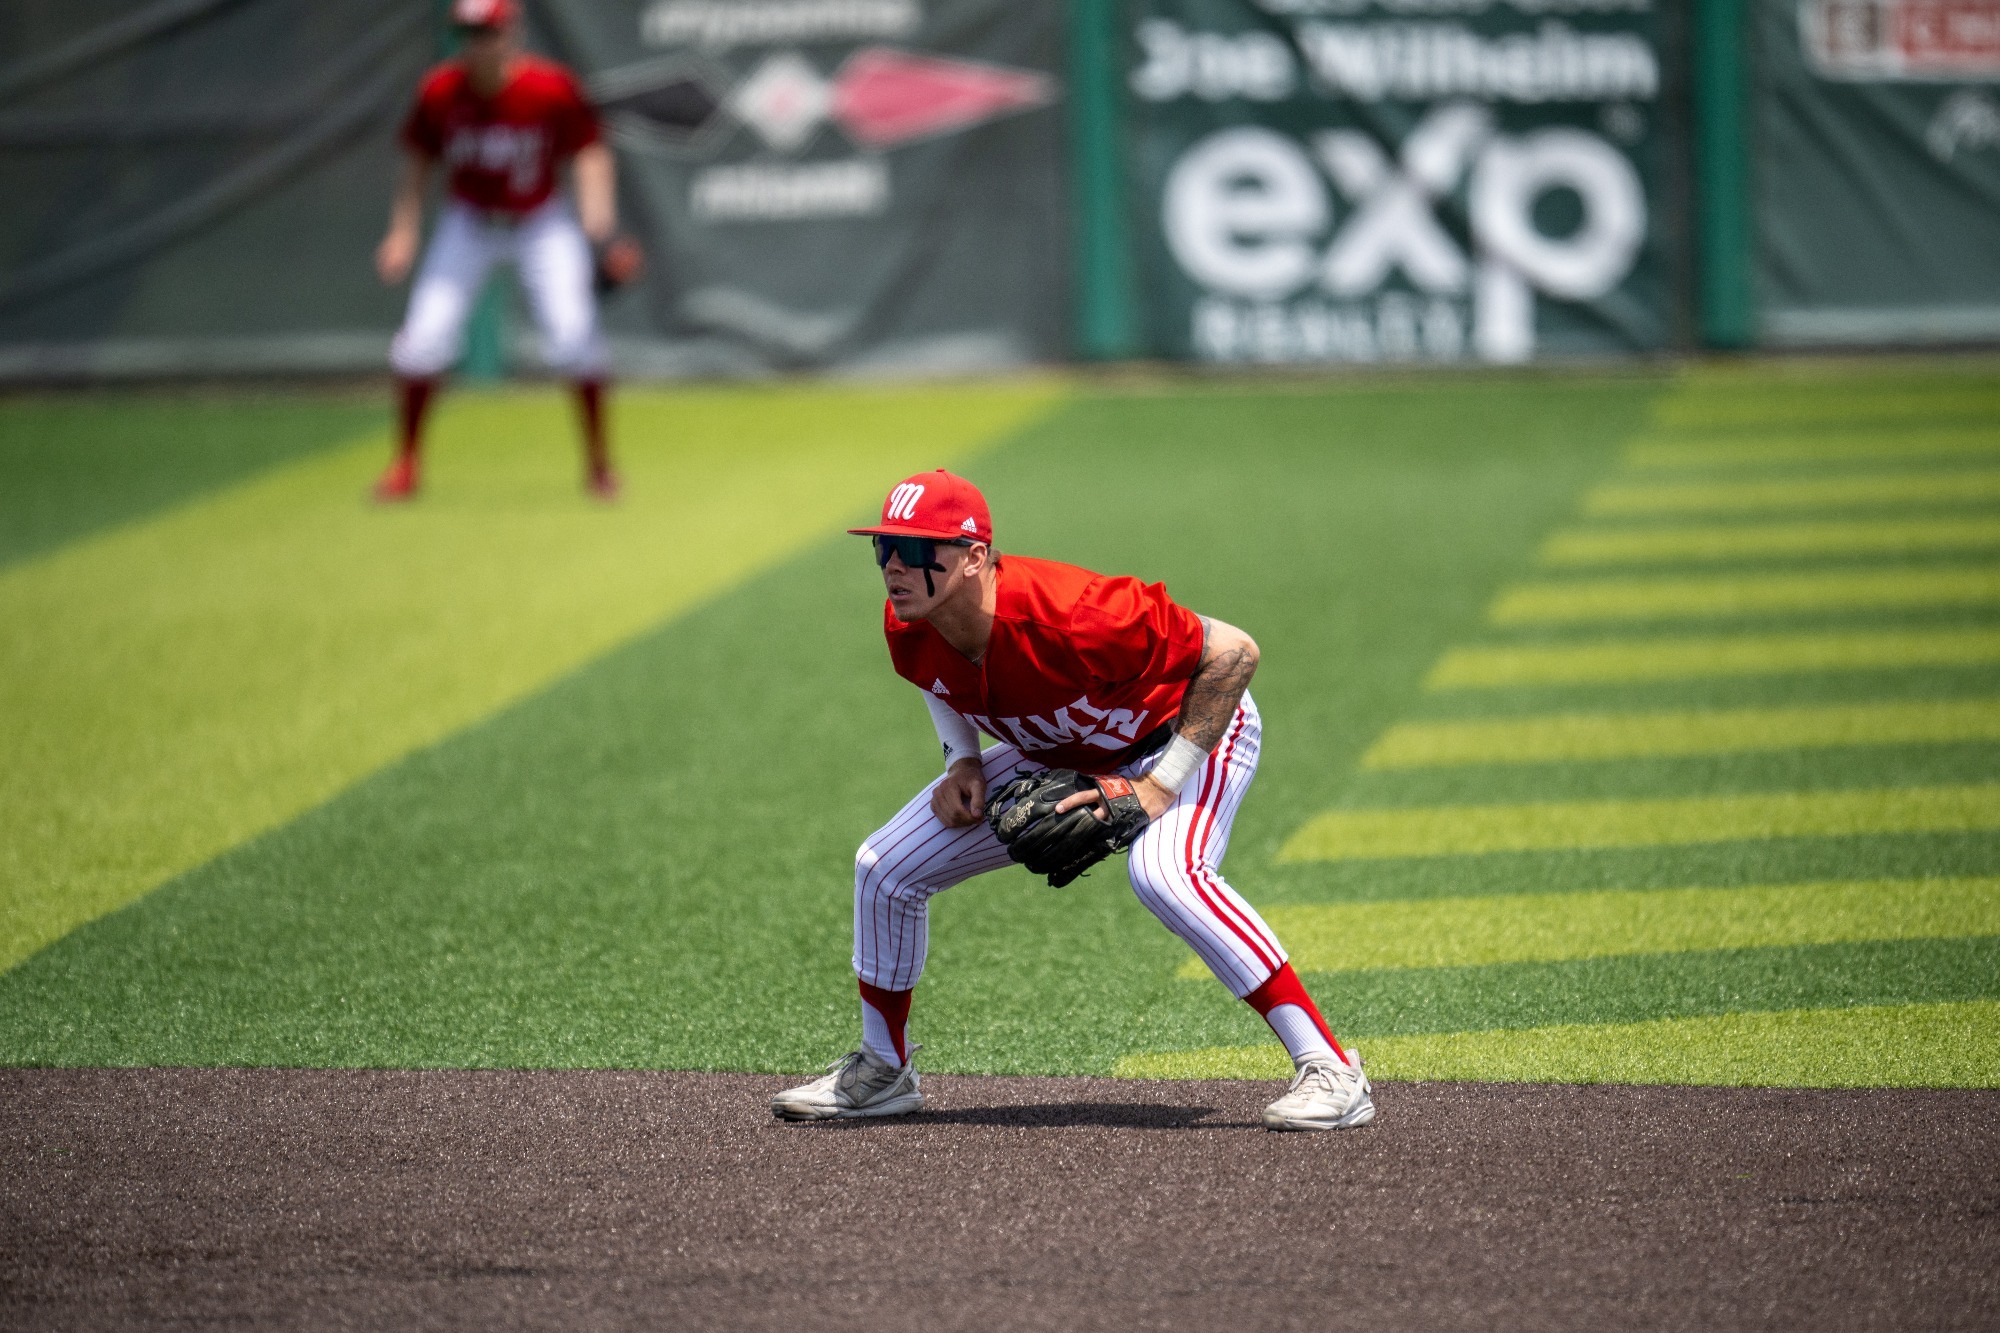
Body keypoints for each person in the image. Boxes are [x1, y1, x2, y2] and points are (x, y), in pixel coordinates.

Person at [770, 470, 1375, 1132]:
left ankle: (1332, 1071)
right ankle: (884, 1070)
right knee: (884, 867)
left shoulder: (1079, 614)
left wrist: (1158, 785)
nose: (893, 565)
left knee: (1165, 874)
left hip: (1189, 731)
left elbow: (1233, 653)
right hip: (1068, 743)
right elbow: (934, 676)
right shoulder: (909, 618)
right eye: (883, 545)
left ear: (975, 557)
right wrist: (962, 758)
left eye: (916, 549)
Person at [372, 0, 620, 501]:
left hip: (540, 223)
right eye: (469, 33)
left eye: (487, 32)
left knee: (575, 339)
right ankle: (406, 465)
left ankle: (598, 466)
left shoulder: (549, 87)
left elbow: (589, 149)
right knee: (421, 343)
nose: (477, 43)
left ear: (512, 33)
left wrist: (597, 214)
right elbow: (418, 160)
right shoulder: (441, 90)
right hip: (470, 221)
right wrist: (403, 230)